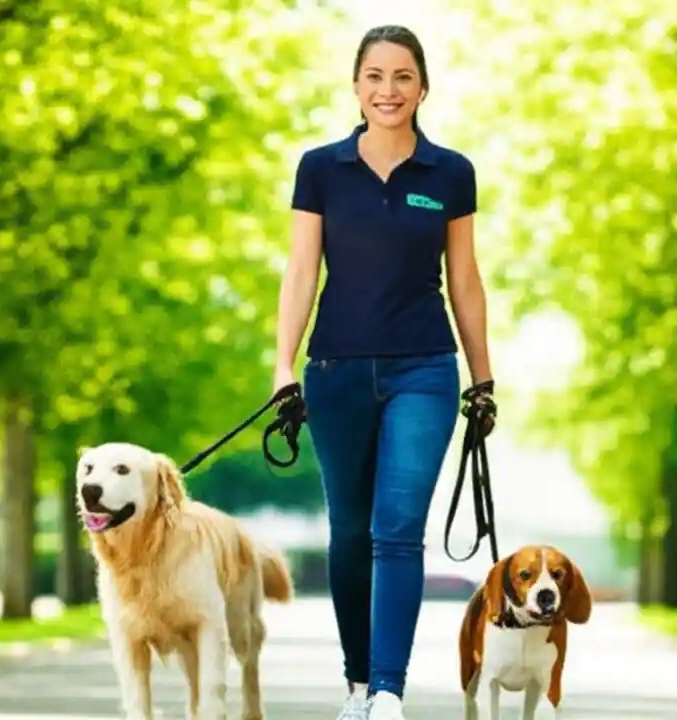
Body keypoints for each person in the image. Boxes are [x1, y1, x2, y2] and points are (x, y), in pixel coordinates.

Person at [271, 23, 496, 720]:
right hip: (336, 370)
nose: (388, 90)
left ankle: (389, 693)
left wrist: (481, 380)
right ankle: (359, 684)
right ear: (356, 86)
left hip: (424, 370)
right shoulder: (320, 168)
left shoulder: (450, 173)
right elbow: (303, 269)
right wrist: (284, 367)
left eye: (402, 76)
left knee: (398, 528)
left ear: (423, 87)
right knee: (350, 531)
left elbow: (464, 279)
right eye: (375, 76)